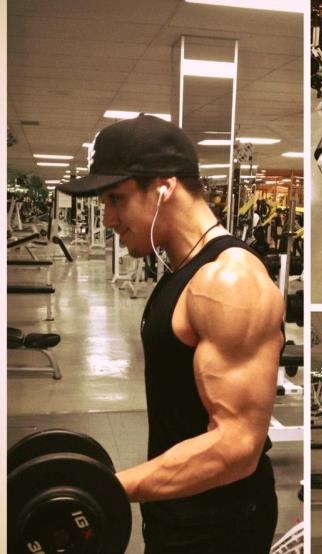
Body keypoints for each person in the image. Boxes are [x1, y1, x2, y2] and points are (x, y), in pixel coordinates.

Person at [58, 114, 284, 553]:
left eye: (116, 199)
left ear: (164, 187)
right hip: (180, 505)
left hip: (220, 524)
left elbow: (238, 448)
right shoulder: (183, 267)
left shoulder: (229, 283)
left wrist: (105, 489)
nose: (108, 218)